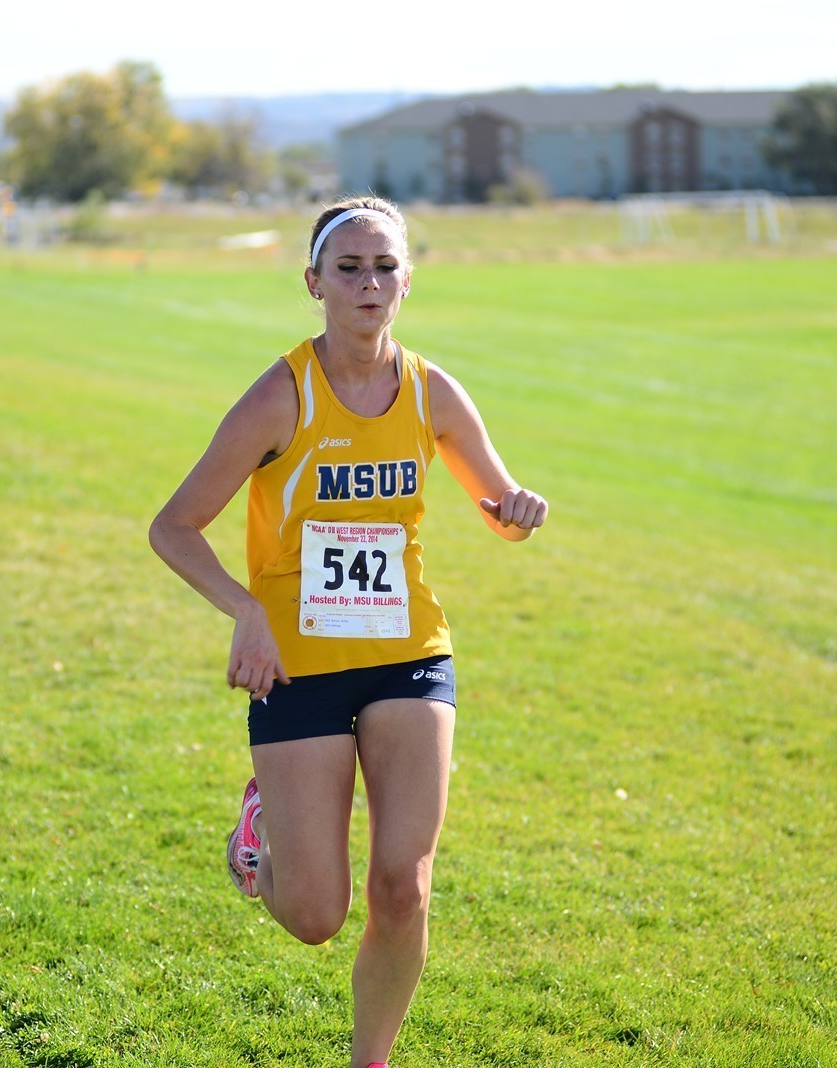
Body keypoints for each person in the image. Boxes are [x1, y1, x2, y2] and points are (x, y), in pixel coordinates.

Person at [149, 196, 547, 1068]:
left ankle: (372, 1060)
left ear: (408, 281)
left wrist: (518, 511)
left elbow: (499, 510)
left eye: (387, 267)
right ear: (314, 283)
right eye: (350, 268)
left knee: (403, 885)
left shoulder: (432, 390)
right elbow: (173, 526)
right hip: (297, 665)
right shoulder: (278, 397)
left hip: (409, 654)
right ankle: (261, 837)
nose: (370, 283)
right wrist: (248, 610)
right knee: (314, 917)